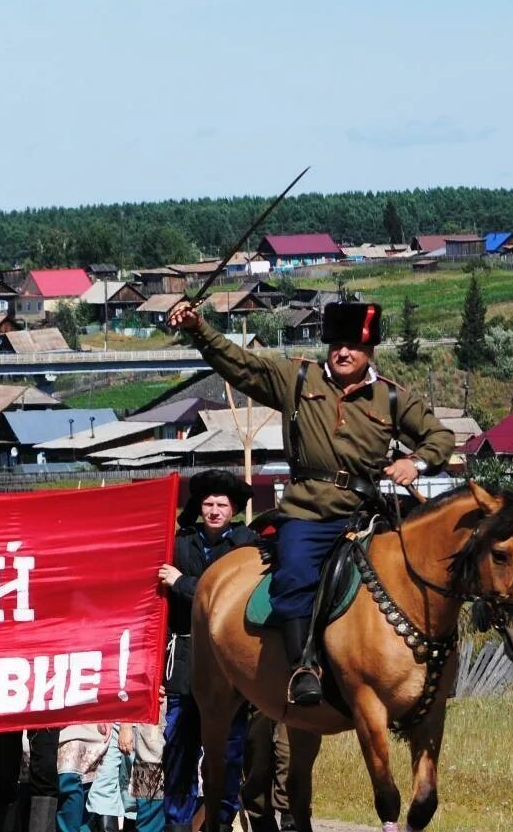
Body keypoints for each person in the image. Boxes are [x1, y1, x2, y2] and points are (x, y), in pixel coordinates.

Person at [166, 297, 453, 706]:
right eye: (336, 343)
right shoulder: (299, 380)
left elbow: (439, 438)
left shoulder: (392, 398)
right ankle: (304, 667)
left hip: (366, 516)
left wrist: (415, 462)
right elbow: (241, 366)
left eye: (353, 345)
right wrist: (199, 328)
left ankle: (417, 669)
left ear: (369, 350)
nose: (343, 351)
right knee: (296, 572)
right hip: (309, 513)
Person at [157, 469, 258, 832]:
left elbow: (237, 598)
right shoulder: (178, 545)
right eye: (208, 504)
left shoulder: (247, 547)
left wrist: (184, 584)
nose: (215, 510)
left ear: (233, 511)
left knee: (229, 760)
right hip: (185, 660)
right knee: (178, 755)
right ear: (198, 509)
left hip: (233, 666)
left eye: (222, 505)